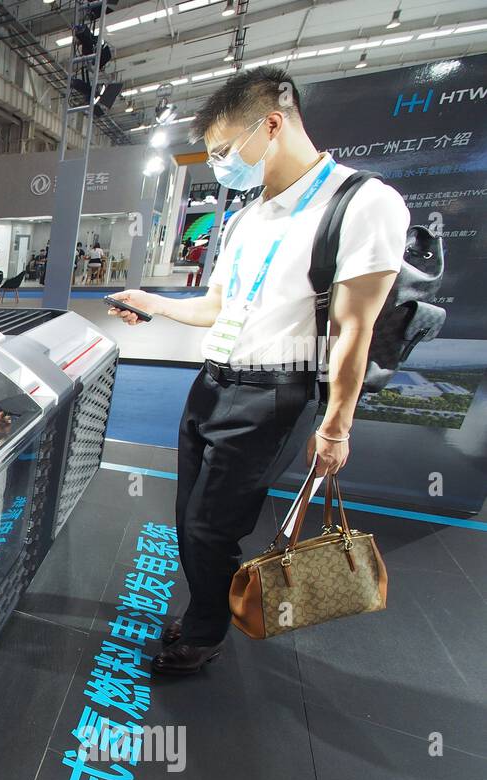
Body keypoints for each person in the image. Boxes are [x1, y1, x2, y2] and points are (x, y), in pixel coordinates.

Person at [106, 66, 409, 676]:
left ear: (271, 124)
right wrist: (155, 303)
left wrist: (337, 426)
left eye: (224, 150)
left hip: (274, 393)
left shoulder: (362, 202)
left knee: (211, 527)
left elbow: (355, 327)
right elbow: (219, 305)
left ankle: (204, 633)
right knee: (189, 519)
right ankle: (204, 612)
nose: (220, 165)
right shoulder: (248, 218)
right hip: (212, 383)